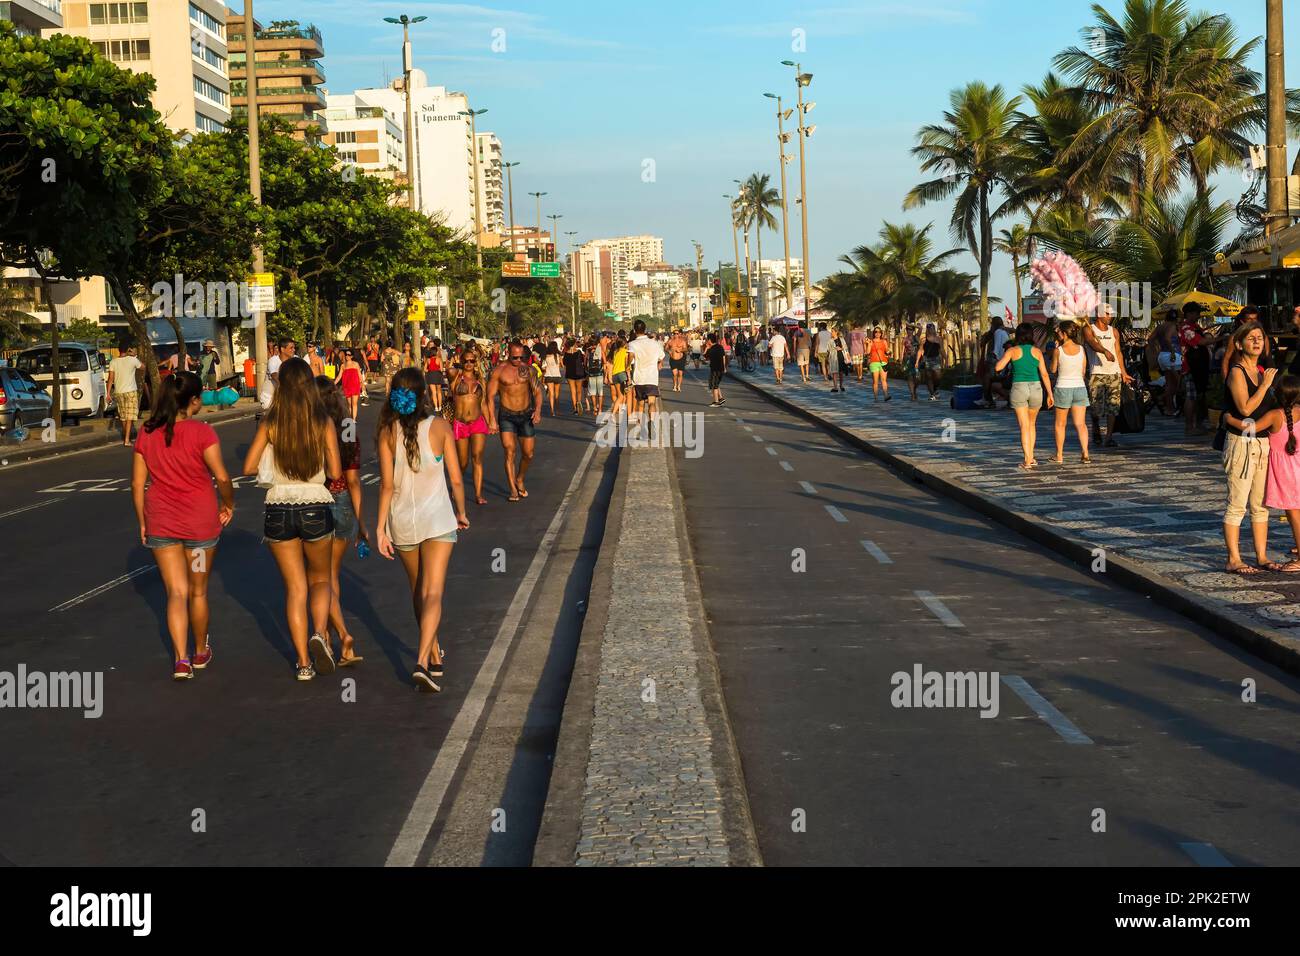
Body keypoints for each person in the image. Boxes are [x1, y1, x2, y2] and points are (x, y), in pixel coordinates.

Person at [242, 357, 342, 681]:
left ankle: (302, 663)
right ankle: (319, 633)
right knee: (321, 579)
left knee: (295, 588)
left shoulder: (271, 421)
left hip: (278, 505)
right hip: (314, 501)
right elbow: (337, 472)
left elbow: (247, 467)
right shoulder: (323, 420)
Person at [132, 371, 234, 680]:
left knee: (175, 593)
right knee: (198, 592)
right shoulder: (203, 433)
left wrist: (142, 521)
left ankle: (181, 659)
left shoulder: (146, 432)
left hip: (161, 522)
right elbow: (223, 477)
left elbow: (138, 484)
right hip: (200, 527)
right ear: (192, 401)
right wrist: (228, 504)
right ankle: (201, 651)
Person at [376, 368, 469, 691]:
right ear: (423, 395)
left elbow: (386, 486)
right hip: (438, 519)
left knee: (418, 590)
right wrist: (462, 511)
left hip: (402, 522)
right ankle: (421, 660)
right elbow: (456, 478)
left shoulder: (387, 432)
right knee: (432, 592)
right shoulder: (440, 426)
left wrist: (379, 529)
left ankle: (433, 652)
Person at [315, 375, 367, 667]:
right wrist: (362, 523)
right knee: (332, 575)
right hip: (344, 502)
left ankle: (337, 634)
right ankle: (331, 636)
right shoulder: (348, 427)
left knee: (319, 577)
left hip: (316, 501)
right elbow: (353, 479)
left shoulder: (311, 427)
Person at [1219, 321, 1279, 575]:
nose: (1257, 341)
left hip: (1263, 442)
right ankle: (1233, 558)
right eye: (1251, 337)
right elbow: (1244, 409)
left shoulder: (1261, 370)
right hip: (1241, 445)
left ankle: (1262, 556)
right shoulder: (1237, 372)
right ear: (1239, 343)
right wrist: (1265, 386)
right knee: (1237, 504)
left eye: (1260, 337)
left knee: (1260, 504)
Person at [1235, 375, 1300, 572]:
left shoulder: (1274, 415)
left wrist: (1229, 418)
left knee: (1294, 514)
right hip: (1298, 466)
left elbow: (1249, 428)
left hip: (1287, 473)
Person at [487, 341, 544, 502]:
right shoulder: (499, 371)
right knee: (509, 451)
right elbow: (489, 397)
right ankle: (512, 489)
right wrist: (492, 419)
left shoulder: (528, 370)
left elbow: (538, 392)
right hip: (506, 416)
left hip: (526, 415)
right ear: (508, 354)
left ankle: (520, 478)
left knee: (528, 454)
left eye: (521, 357)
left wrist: (538, 411)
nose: (518, 360)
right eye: (515, 357)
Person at [995, 323, 1055, 469]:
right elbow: (1045, 374)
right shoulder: (1037, 351)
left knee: (1023, 426)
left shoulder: (1012, 351)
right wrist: (1050, 395)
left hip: (1019, 388)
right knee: (1032, 425)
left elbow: (998, 367)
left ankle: (1027, 460)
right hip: (1036, 388)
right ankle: (1032, 456)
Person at [1084, 304, 1133, 447]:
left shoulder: (1114, 331)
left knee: (1113, 406)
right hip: (1097, 373)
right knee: (1096, 407)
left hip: (1114, 373)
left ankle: (1109, 437)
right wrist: (1104, 351)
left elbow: (1118, 352)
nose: (1110, 316)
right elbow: (1092, 343)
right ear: (1099, 314)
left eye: (1111, 314)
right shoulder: (1089, 329)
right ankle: (1096, 427)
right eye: (1107, 314)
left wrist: (1123, 372)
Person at [1049, 321, 1091, 463]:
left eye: (1059, 332)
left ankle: (1059, 455)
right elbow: (1084, 371)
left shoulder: (1058, 350)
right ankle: (1085, 453)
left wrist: (1055, 351)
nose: (1058, 334)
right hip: (1079, 387)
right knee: (1081, 424)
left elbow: (1053, 370)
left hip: (1063, 388)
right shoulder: (1081, 349)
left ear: (1064, 333)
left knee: (1060, 424)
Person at [451, 354, 489, 506]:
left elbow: (483, 404)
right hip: (461, 423)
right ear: (461, 362)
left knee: (477, 458)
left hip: (478, 422)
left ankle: (478, 494)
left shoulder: (480, 382)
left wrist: (491, 421)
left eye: (471, 361)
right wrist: (455, 366)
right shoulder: (456, 379)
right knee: (463, 462)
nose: (468, 363)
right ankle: (456, 486)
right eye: (465, 361)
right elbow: (449, 371)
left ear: (475, 362)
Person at [1179, 303, 1212, 435]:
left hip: (1198, 367)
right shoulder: (1186, 328)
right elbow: (1202, 342)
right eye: (1197, 312)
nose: (1199, 315)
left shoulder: (1195, 327)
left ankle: (1197, 425)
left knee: (1198, 396)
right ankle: (1189, 427)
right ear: (1189, 313)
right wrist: (1222, 338)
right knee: (1191, 396)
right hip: (1190, 367)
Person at [627, 319, 666, 429]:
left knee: (640, 403)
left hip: (639, 378)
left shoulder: (632, 344)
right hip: (652, 378)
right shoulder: (654, 343)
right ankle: (652, 421)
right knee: (652, 402)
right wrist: (659, 364)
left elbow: (630, 357)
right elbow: (661, 357)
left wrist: (627, 367)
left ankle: (640, 424)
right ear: (645, 330)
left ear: (635, 331)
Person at [107, 345, 143, 446]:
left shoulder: (113, 362)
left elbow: (110, 379)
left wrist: (108, 393)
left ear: (118, 350)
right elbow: (143, 367)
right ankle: (127, 440)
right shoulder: (132, 360)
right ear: (128, 349)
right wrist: (134, 355)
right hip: (131, 391)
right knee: (129, 417)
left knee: (123, 416)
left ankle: (125, 436)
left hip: (119, 392)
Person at [259, 339, 295, 410]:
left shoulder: (295, 359)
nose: (293, 350)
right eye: (291, 348)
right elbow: (275, 376)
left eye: (294, 348)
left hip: (284, 396)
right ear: (282, 349)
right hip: (270, 397)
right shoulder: (273, 360)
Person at [919, 323, 944, 400]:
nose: (930, 330)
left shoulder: (938, 339)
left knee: (938, 376)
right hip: (927, 359)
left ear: (934, 329)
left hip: (936, 358)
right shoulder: (923, 340)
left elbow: (941, 349)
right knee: (929, 377)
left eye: (932, 328)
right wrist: (917, 361)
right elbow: (920, 350)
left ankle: (936, 389)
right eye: (929, 329)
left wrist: (945, 357)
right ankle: (932, 394)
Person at [563, 338, 587, 415]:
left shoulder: (566, 353)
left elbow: (564, 363)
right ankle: (579, 403)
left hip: (570, 373)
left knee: (573, 391)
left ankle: (575, 408)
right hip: (579, 373)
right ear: (574, 344)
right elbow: (583, 361)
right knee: (579, 391)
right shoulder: (579, 352)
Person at [338, 348, 364, 422]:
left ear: (352, 356)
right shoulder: (343, 365)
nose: (347, 356)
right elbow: (339, 376)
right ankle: (350, 417)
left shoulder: (355, 364)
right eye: (346, 354)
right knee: (349, 404)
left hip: (355, 385)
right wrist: (333, 383)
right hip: (347, 386)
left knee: (354, 403)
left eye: (349, 355)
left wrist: (362, 384)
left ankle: (354, 419)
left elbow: (359, 374)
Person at [867, 327, 891, 402]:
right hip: (874, 362)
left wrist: (889, 352)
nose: (877, 333)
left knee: (884, 380)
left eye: (879, 332)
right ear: (874, 333)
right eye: (876, 332)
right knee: (875, 381)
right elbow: (867, 352)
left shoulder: (884, 341)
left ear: (881, 333)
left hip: (883, 362)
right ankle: (876, 398)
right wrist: (868, 344)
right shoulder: (871, 342)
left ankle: (886, 395)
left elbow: (887, 351)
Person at [609, 335, 630, 420]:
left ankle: (613, 414)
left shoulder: (615, 352)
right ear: (624, 343)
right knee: (627, 394)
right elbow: (627, 366)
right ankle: (625, 412)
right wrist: (629, 377)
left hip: (615, 375)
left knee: (620, 396)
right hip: (622, 374)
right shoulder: (626, 352)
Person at [585, 336, 607, 415]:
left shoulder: (588, 350)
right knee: (600, 393)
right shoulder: (600, 350)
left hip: (591, 374)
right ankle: (600, 409)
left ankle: (594, 408)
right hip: (599, 374)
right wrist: (606, 375)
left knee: (593, 392)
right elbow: (604, 362)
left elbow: (585, 363)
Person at [705, 332, 727, 406]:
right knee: (716, 383)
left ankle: (716, 402)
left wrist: (706, 348)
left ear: (710, 340)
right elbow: (724, 357)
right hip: (721, 369)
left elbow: (705, 357)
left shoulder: (711, 349)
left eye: (707, 340)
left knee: (714, 385)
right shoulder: (720, 347)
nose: (706, 341)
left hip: (715, 369)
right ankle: (721, 398)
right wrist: (724, 368)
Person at [425, 338, 446, 413]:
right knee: (439, 391)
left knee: (433, 392)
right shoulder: (439, 359)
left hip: (431, 375)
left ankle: (436, 407)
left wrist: (430, 370)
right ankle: (440, 406)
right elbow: (441, 369)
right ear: (436, 352)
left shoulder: (428, 360)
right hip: (438, 375)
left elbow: (425, 369)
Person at [542, 341, 563, 416]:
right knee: (557, 395)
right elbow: (562, 365)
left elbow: (543, 367)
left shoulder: (546, 356)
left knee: (551, 394)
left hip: (549, 376)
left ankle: (552, 410)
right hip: (557, 376)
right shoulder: (558, 355)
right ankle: (558, 410)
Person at [901, 324, 920, 400]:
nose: (909, 331)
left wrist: (911, 324)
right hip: (908, 359)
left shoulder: (916, 337)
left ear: (913, 330)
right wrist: (901, 359)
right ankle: (912, 394)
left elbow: (920, 328)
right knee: (909, 377)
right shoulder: (905, 339)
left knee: (918, 378)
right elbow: (902, 350)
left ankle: (914, 389)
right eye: (908, 329)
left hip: (916, 359)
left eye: (911, 329)